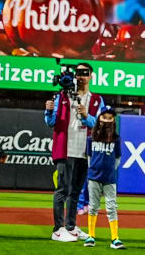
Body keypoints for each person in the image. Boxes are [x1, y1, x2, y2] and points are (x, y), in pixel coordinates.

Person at [44, 63, 104, 241]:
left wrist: (87, 116)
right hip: (65, 149)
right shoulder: (62, 95)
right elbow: (50, 122)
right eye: (78, 73)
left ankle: (70, 226)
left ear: (91, 76)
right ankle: (57, 229)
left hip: (84, 151)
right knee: (62, 189)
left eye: (85, 73)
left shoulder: (96, 100)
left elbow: (100, 125)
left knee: (76, 191)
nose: (81, 76)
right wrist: (47, 111)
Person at [81, 109, 125, 249]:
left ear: (113, 120)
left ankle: (115, 238)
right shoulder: (91, 138)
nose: (106, 120)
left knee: (112, 207)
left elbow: (118, 158)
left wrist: (110, 170)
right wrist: (93, 170)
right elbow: (89, 158)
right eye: (104, 117)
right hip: (94, 177)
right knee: (93, 207)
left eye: (109, 118)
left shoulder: (116, 139)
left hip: (109, 179)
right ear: (99, 118)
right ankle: (91, 236)